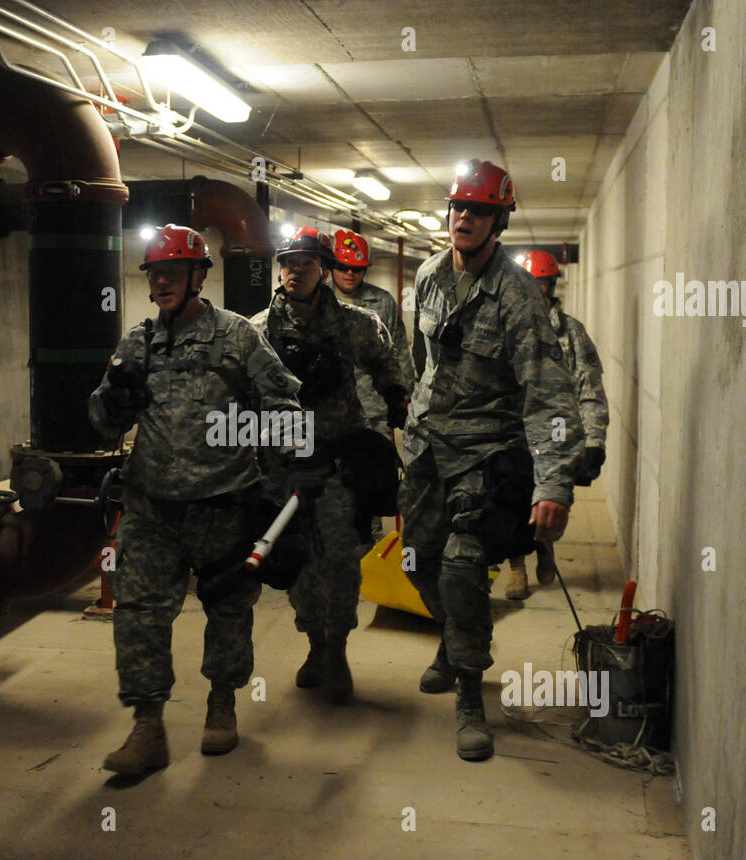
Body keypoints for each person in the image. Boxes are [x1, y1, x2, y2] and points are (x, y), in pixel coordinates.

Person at [90, 224, 303, 776]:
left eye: (171, 272)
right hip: (151, 504)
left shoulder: (235, 336)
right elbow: (100, 420)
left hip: (222, 501)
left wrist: (277, 470)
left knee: (228, 609)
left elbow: (283, 401)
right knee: (137, 612)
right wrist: (115, 399)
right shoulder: (137, 340)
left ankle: (222, 704)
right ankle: (146, 726)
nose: (160, 281)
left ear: (197, 276)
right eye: (154, 273)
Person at [401, 161, 583, 760]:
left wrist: (552, 482)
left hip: (486, 449)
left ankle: (470, 695)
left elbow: (548, 393)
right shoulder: (428, 276)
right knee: (415, 563)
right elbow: (422, 361)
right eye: (457, 207)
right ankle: (453, 642)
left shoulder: (517, 296)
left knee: (461, 563)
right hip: (429, 447)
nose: (464, 217)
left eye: (477, 210)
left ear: (497, 220)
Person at [250, 226, 409, 704]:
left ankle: (337, 648)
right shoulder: (258, 330)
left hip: (338, 466)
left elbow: (387, 364)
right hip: (284, 469)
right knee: (298, 564)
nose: (294, 270)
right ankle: (314, 642)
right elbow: (241, 393)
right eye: (287, 262)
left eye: (305, 263)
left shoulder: (356, 324)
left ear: (323, 269)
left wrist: (396, 399)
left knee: (340, 561)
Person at [503, 250, 610, 600]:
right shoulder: (505, 328)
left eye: (541, 283)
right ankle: (516, 566)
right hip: (514, 431)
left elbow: (589, 386)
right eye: (528, 284)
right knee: (512, 499)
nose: (535, 290)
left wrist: (594, 439)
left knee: (550, 496)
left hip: (557, 430)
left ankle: (545, 546)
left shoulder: (572, 333)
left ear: (550, 286)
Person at [331, 230, 417, 439]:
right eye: (344, 267)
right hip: (330, 413)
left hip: (374, 411)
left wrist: (404, 399)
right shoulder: (319, 302)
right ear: (331, 266)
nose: (350, 274)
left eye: (357, 269)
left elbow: (399, 352)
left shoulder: (382, 302)